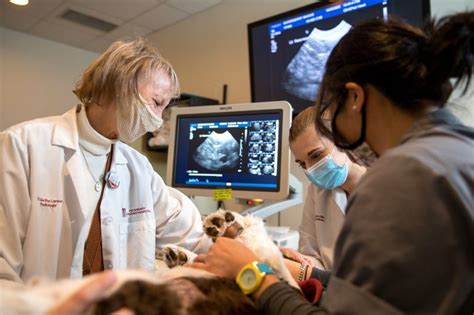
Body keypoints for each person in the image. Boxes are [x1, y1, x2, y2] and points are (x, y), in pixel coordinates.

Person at [190, 12, 474, 314]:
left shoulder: (401, 175)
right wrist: (303, 271)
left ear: (354, 98)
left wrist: (252, 275)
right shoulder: (458, 151)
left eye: (332, 120)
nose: (338, 135)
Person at [0, 39, 210, 287]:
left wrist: (236, 246)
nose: (157, 119)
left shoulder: (137, 167)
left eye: (163, 108)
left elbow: (184, 228)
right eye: (155, 103)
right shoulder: (22, 146)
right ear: (118, 84)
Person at [281, 106, 365, 275]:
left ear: (343, 140)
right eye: (302, 164)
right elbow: (311, 256)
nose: (310, 169)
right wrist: (297, 261)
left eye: (316, 155)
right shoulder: (317, 191)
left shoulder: (385, 187)